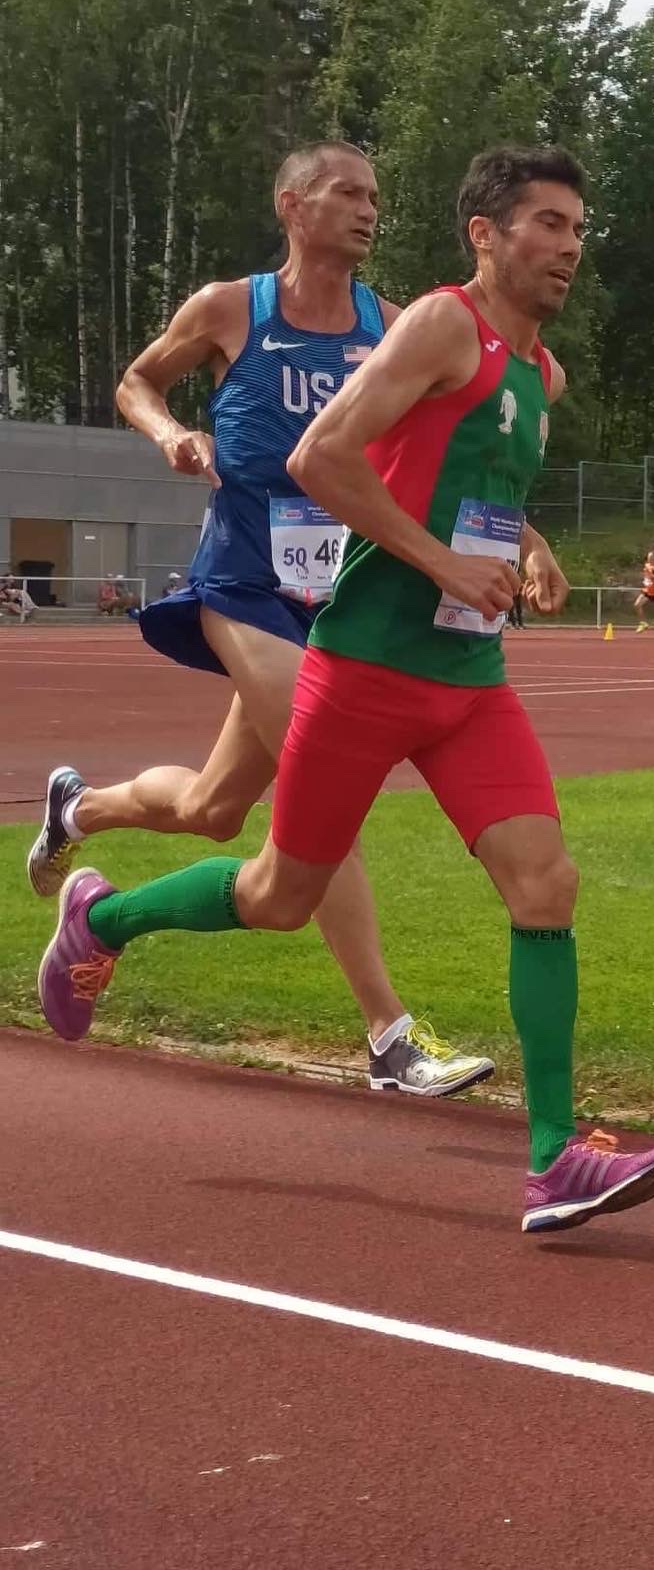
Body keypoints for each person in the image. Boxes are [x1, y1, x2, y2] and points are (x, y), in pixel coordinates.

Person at [36, 144, 654, 1234]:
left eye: (579, 228)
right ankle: (106, 919)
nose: (571, 246)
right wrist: (440, 563)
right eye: (550, 225)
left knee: (546, 886)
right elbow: (321, 459)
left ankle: (556, 1157)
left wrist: (527, 543)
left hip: (468, 679)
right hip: (365, 663)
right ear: (487, 234)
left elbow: (453, 475)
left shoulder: (534, 369)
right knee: (281, 894)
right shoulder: (434, 324)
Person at [26, 141, 491, 1098]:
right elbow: (136, 380)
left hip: (336, 598)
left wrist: (515, 533)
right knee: (327, 785)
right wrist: (172, 433)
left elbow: (450, 441)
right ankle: (389, 1037)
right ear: (293, 204)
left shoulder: (392, 325)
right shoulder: (232, 307)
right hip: (242, 580)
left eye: (376, 196)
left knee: (213, 809)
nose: (369, 210)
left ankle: (81, 818)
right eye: (348, 193)